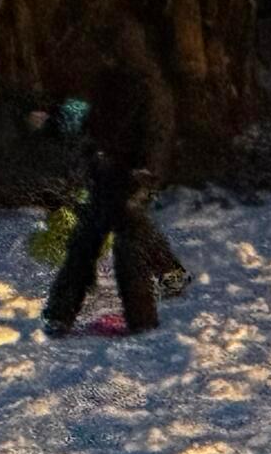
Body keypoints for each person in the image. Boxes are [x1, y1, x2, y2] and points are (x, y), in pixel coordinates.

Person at [42, 62, 192, 337]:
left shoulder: (140, 80)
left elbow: (156, 127)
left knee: (122, 239)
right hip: (106, 170)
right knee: (94, 239)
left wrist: (147, 169)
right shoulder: (95, 78)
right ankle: (61, 315)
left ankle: (142, 316)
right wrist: (54, 121)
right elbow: (78, 113)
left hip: (130, 172)